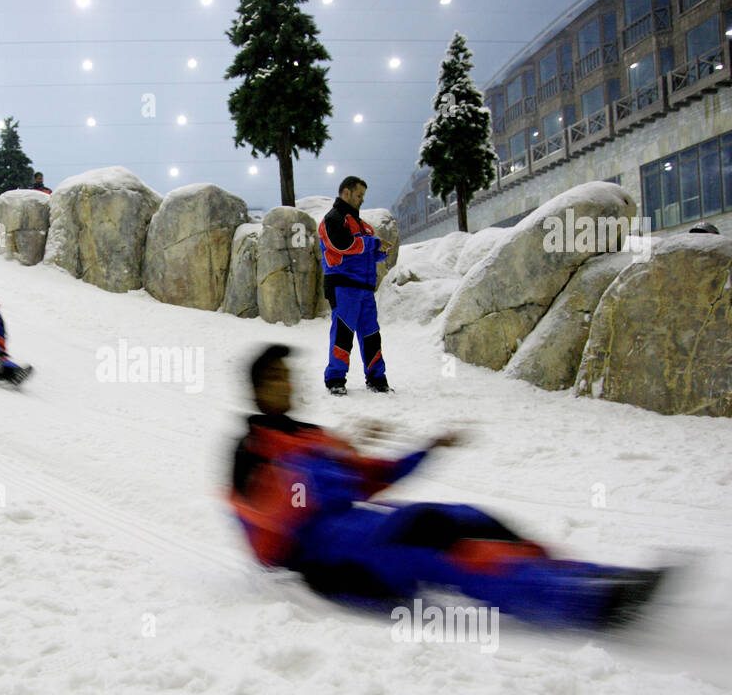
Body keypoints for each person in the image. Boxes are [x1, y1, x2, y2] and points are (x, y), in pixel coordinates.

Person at [229, 344, 666, 627]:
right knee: (438, 539)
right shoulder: (250, 450)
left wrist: (428, 447)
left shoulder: (309, 435)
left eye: (286, 374)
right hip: (328, 556)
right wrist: (311, 469)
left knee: (468, 518)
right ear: (255, 390)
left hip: (361, 527)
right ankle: (586, 603)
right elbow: (266, 539)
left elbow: (371, 477)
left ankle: (591, 576)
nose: (285, 384)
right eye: (273, 378)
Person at [320, 175, 391, 395]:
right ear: (346, 192)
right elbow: (343, 245)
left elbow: (366, 252)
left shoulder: (364, 226)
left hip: (365, 289)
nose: (362, 200)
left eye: (363, 196)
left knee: (371, 334)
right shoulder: (333, 219)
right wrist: (374, 243)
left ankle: (377, 378)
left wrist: (380, 252)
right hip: (343, 286)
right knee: (343, 333)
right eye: (359, 195)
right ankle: (335, 379)